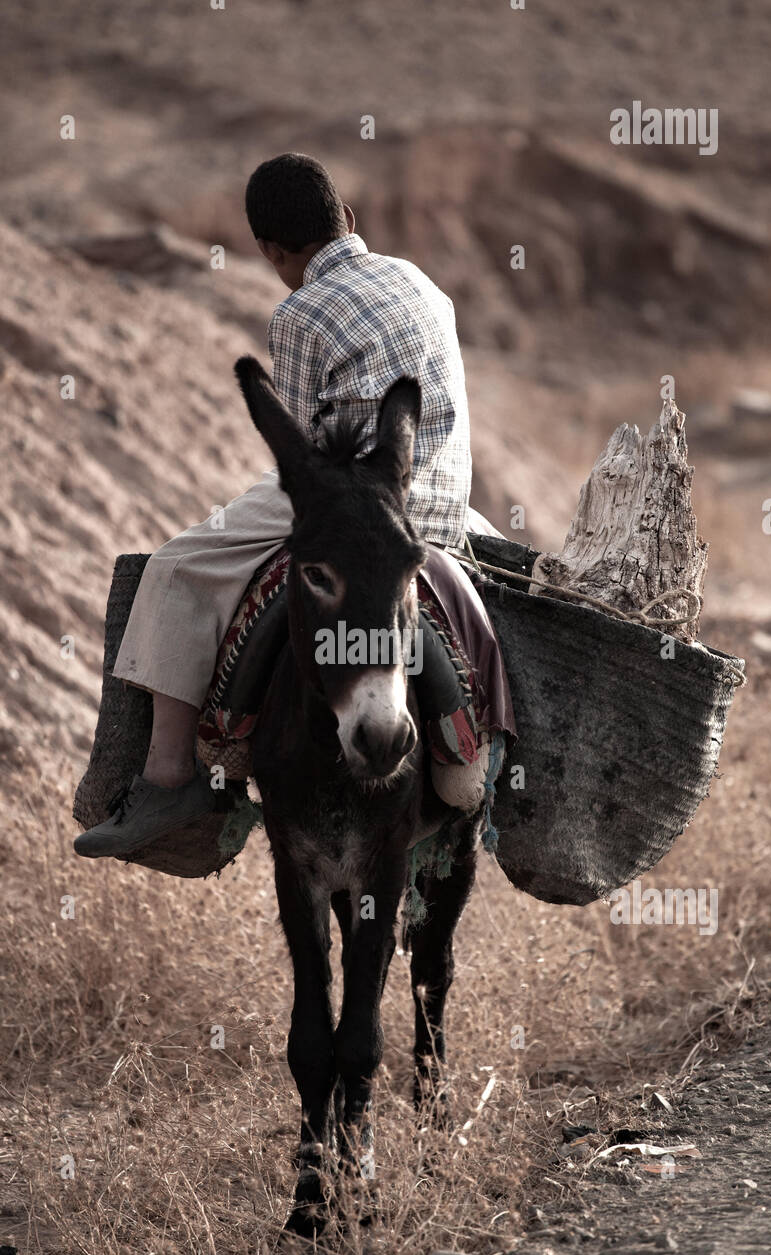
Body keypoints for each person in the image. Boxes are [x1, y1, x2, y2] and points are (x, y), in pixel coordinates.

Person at [74, 153, 504, 859]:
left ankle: (169, 777)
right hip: (445, 508)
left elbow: (307, 464)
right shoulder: (422, 281)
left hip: (354, 503)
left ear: (273, 252)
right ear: (350, 222)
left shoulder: (300, 312)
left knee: (177, 568)